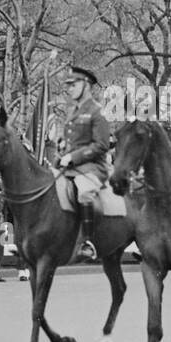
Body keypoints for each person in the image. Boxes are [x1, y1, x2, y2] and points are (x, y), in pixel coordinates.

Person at [55, 65, 111, 262]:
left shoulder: (98, 111)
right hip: (70, 168)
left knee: (84, 191)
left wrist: (73, 157)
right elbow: (70, 141)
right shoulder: (73, 111)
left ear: (86, 85)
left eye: (73, 84)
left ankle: (87, 242)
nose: (69, 88)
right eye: (67, 85)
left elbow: (101, 145)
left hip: (93, 167)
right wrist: (62, 150)